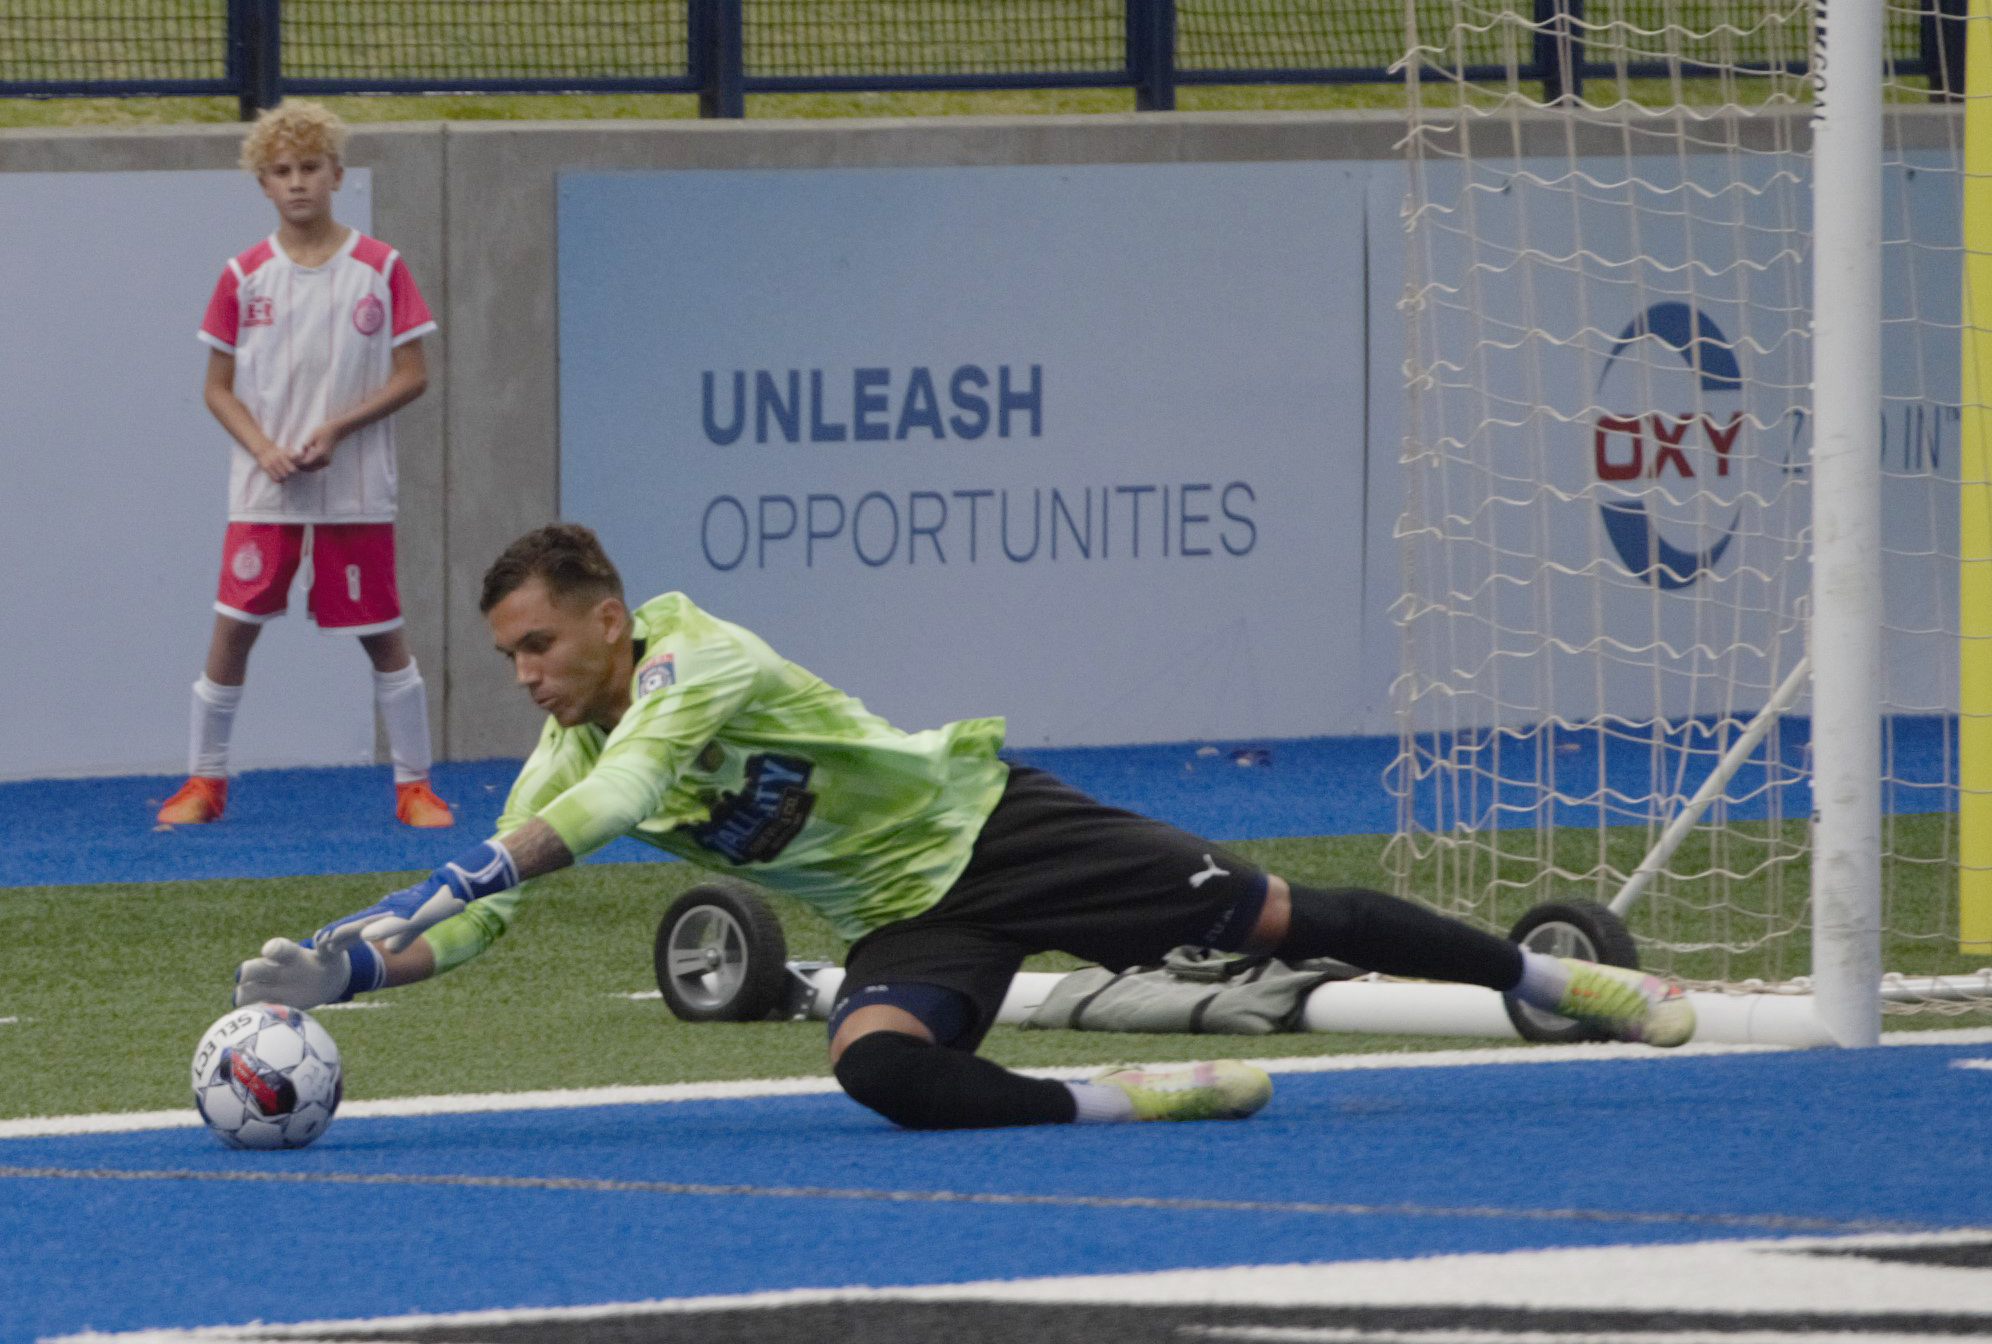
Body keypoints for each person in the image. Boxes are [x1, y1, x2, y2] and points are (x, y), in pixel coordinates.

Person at [235, 523, 1695, 1130]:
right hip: (916, 919)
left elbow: (611, 810)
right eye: (508, 657)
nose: (527, 675)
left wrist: (436, 877)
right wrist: (353, 971)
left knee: (1269, 919)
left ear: (610, 621)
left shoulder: (697, 662)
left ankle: (1550, 982)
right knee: (878, 1071)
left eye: (539, 644)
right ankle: (1121, 1099)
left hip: (998, 828)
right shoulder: (569, 738)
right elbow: (492, 915)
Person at [156, 100, 453, 829]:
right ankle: (204, 783)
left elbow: (413, 375)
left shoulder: (381, 268)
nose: (297, 184)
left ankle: (414, 786)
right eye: (282, 171)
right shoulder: (242, 275)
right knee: (234, 628)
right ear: (263, 184)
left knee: (382, 630)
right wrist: (262, 448)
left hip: (354, 488)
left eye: (310, 168)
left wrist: (337, 429)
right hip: (265, 489)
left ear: (337, 175)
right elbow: (216, 389)